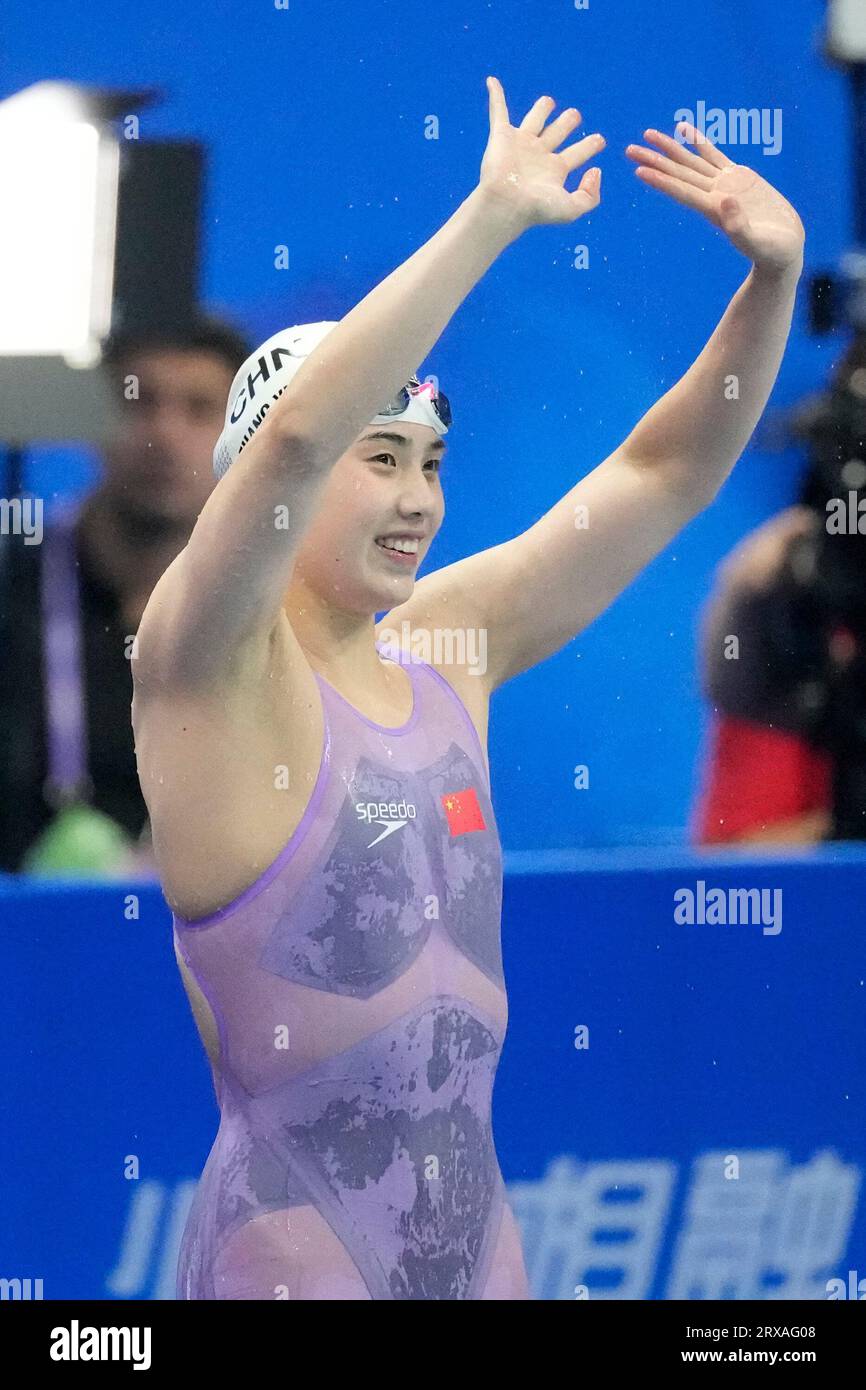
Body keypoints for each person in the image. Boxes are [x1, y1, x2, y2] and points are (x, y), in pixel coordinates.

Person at [133, 76, 805, 1299]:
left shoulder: (450, 647)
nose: (416, 502)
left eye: (431, 464)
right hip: (291, 1252)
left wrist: (770, 287)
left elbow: (662, 473)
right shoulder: (204, 666)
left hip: (477, 1246)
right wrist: (487, 219)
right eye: (378, 458)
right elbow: (288, 442)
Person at [0, 316, 250, 875]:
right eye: (139, 402)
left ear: (242, 436)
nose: (164, 433)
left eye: (199, 409)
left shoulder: (272, 614)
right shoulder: (12, 590)